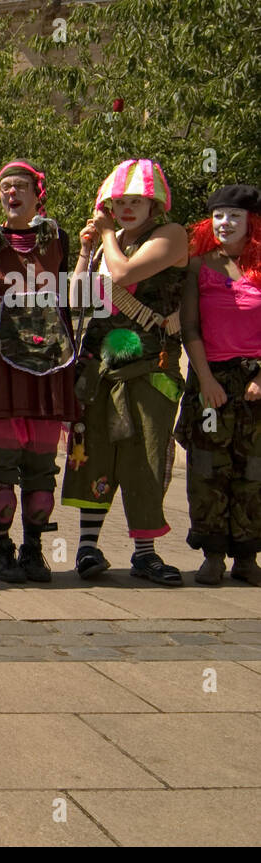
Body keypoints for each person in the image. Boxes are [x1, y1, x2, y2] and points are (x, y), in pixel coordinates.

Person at [61, 159, 188, 585]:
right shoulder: (103, 245)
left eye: (136, 201)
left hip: (151, 368)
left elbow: (125, 273)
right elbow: (78, 298)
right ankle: (87, 548)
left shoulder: (170, 236)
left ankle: (145, 554)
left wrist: (107, 236)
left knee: (145, 460)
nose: (127, 208)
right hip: (98, 369)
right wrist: (85, 249)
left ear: (154, 205)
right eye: (119, 202)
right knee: (92, 455)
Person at [0, 161, 81, 583]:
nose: (13, 192)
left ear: (37, 194)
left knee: (41, 461)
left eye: (22, 186)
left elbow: (73, 296)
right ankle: (2, 549)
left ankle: (34, 550)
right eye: (6, 187)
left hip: (48, 363)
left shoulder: (59, 239)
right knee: (0, 461)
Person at [174, 184, 261, 586]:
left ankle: (247, 557)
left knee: (254, 470)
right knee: (207, 468)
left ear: (251, 222)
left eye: (235, 217)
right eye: (219, 216)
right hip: (212, 376)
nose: (226, 223)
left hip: (255, 380)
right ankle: (212, 554)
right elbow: (190, 326)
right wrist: (206, 379)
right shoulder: (198, 265)